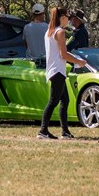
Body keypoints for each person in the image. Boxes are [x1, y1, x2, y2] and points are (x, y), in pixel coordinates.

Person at [39, 7, 86, 140]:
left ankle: (65, 131)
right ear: (62, 17)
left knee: (64, 99)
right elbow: (63, 54)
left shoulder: (49, 32)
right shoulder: (60, 32)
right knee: (54, 101)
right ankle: (43, 130)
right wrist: (78, 62)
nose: (68, 20)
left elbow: (61, 52)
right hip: (58, 70)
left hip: (54, 70)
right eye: (67, 17)